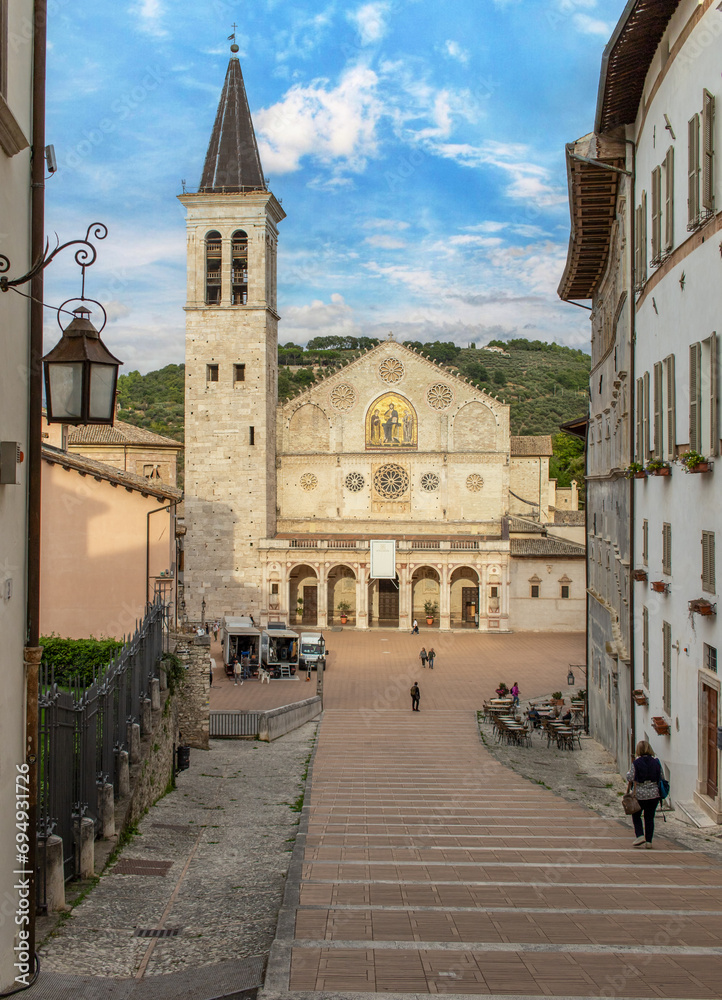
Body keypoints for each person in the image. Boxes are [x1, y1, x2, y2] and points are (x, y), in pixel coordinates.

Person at [626, 740, 662, 848]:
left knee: (636, 814)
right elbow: (661, 776)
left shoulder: (636, 763)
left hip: (640, 794)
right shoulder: (656, 762)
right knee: (649, 817)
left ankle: (640, 835)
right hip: (654, 794)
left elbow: (630, 777)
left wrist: (629, 773)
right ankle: (649, 842)